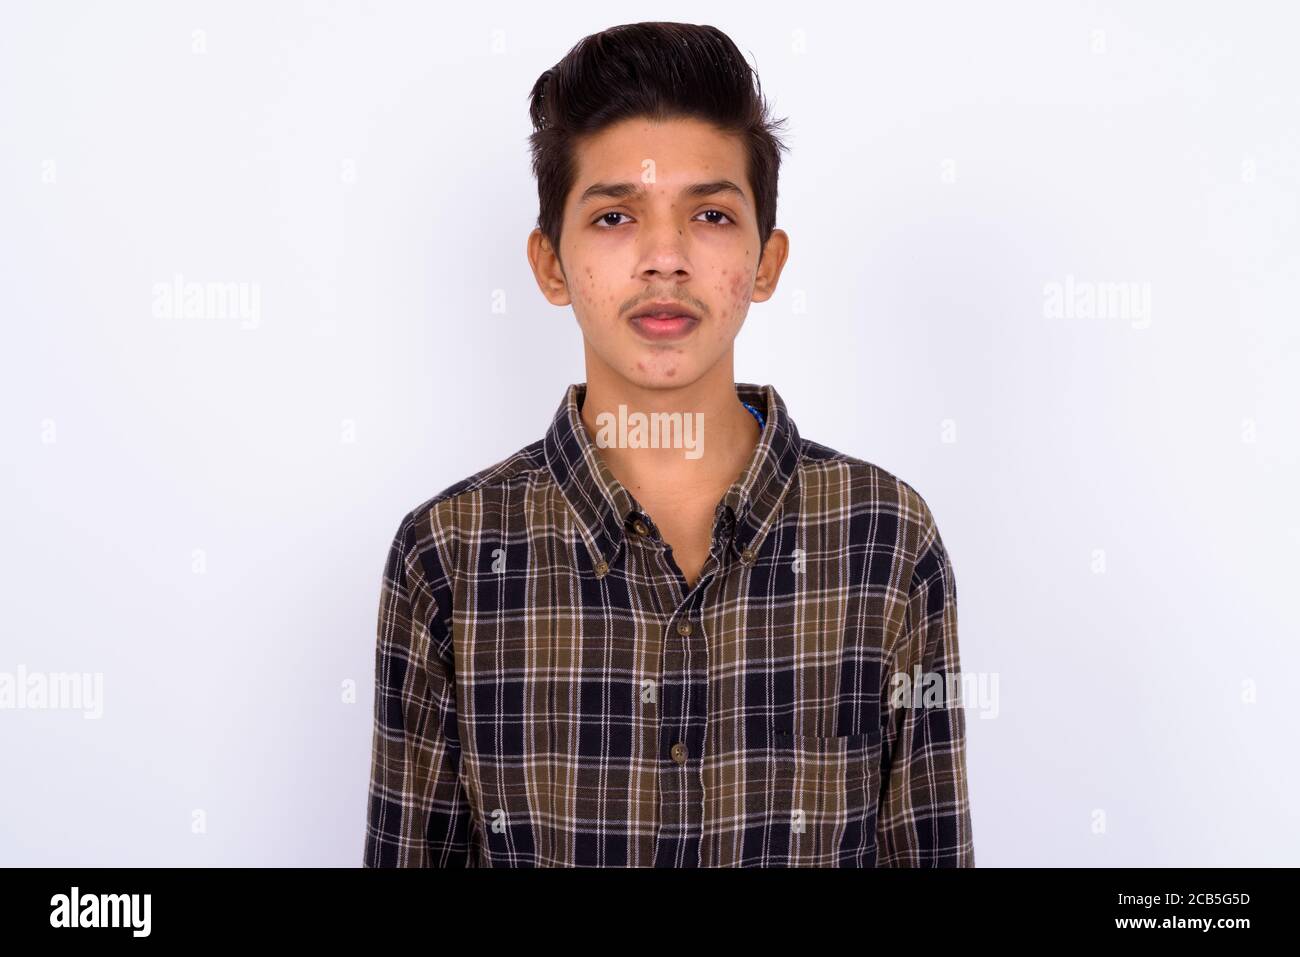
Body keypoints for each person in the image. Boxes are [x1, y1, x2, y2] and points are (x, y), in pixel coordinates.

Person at [364, 21, 974, 867]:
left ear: (765, 262)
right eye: (615, 215)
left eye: (712, 214)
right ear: (550, 263)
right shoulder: (451, 557)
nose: (664, 258)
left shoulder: (885, 538)